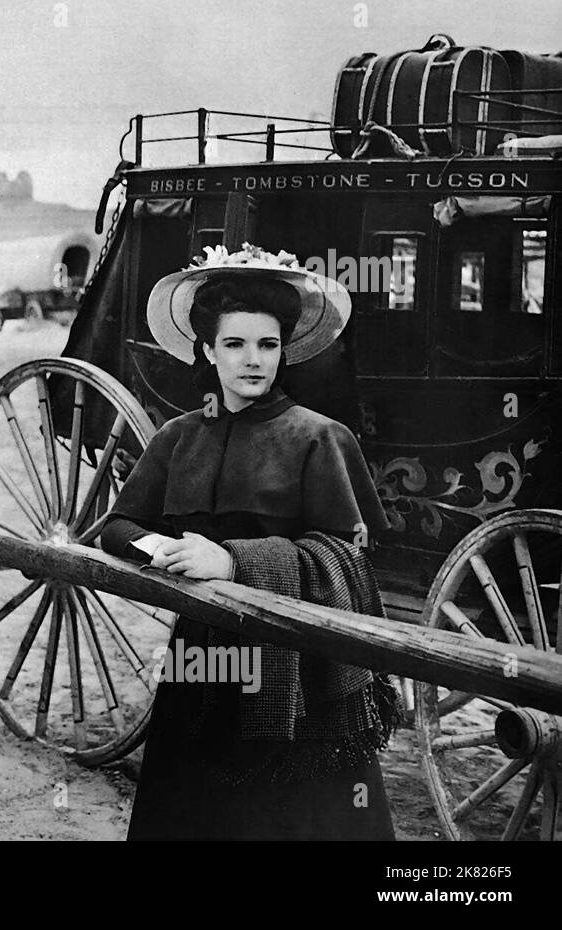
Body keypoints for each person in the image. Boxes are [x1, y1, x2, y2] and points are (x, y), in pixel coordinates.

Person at [102, 245, 399, 840]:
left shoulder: (320, 438)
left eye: (267, 345)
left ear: (284, 351)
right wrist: (167, 551)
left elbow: (348, 562)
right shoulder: (177, 438)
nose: (253, 361)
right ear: (208, 351)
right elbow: (117, 528)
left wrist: (233, 561)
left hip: (301, 664)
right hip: (202, 658)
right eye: (234, 345)